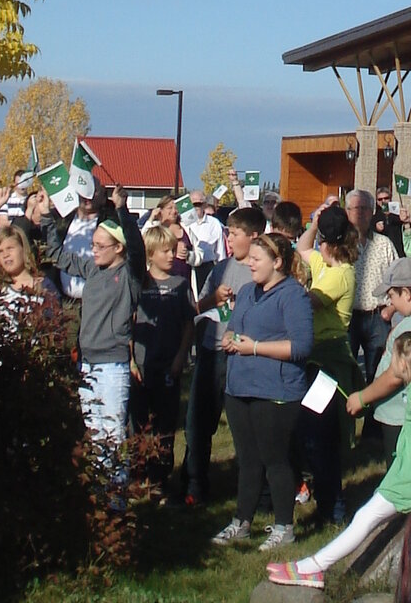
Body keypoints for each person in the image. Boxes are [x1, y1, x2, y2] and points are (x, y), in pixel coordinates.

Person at [268, 332, 411, 589]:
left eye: (393, 359)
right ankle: (312, 566)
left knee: (364, 519)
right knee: (369, 519)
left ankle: (312, 568)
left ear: (403, 364)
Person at [37, 187, 146, 489]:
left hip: (112, 368)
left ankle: (117, 498)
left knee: (112, 436)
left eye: (100, 245)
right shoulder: (92, 270)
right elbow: (57, 255)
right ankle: (100, 494)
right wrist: (47, 215)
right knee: (95, 435)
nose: (93, 249)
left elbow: (137, 249)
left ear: (118, 248)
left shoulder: (129, 275)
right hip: (87, 365)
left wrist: (122, 212)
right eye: (93, 244)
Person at [212, 234, 314, 551]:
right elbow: (234, 326)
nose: (250, 264)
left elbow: (301, 346)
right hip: (239, 387)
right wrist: (230, 337)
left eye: (257, 259)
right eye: (250, 258)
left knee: (275, 459)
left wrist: (255, 348)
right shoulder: (246, 292)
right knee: (248, 460)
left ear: (278, 262)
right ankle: (241, 521)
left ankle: (284, 526)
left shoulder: (293, 296)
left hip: (276, 390)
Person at [179, 205, 265, 505]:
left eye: (235, 233)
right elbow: (198, 309)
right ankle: (194, 486)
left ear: (254, 237)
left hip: (243, 358)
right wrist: (213, 298)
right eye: (228, 232)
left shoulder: (261, 272)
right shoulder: (220, 268)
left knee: (247, 429)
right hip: (210, 353)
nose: (228, 238)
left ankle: (254, 491)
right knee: (198, 425)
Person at [297, 202, 363, 524]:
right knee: (312, 431)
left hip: (330, 363)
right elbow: (301, 247)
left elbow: (308, 301)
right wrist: (315, 220)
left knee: (321, 432)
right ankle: (326, 502)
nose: (317, 245)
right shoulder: (324, 265)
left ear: (333, 245)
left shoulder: (341, 275)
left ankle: (333, 508)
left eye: (322, 239)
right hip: (316, 356)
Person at [346, 259, 411, 457]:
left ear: (407, 293)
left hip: (400, 418)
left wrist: (362, 398)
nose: (390, 302)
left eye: (392, 295)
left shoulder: (410, 329)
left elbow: (396, 375)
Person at [130, 225, 195, 490]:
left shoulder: (180, 285)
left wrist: (181, 356)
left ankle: (160, 480)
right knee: (138, 424)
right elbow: (129, 323)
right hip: (141, 366)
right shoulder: (139, 284)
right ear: (151, 253)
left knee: (165, 426)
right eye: (165, 251)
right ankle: (137, 476)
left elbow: (189, 323)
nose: (172, 256)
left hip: (169, 365)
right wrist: (132, 359)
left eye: (173, 250)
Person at [346, 190, 400, 385]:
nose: (360, 213)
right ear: (347, 212)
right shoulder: (340, 245)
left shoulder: (384, 244)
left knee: (377, 372)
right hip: (348, 318)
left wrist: (391, 309)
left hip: (378, 317)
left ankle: (373, 414)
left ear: (371, 212)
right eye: (355, 208)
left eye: (365, 209)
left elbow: (398, 281)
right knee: (346, 372)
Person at [0, 223, 58, 313]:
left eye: (10, 248)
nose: (5, 255)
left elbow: (54, 321)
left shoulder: (43, 286)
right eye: (0, 251)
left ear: (23, 249)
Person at [183, 190, 227, 272]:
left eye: (199, 204)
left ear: (205, 205)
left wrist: (222, 270)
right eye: (193, 204)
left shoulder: (214, 223)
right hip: (187, 266)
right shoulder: (183, 224)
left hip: (207, 268)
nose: (196, 207)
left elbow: (220, 251)